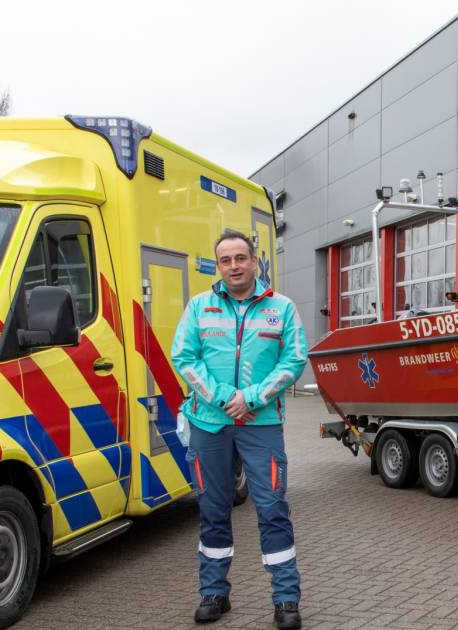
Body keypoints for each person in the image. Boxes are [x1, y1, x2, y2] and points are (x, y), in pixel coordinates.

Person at [171, 229, 308, 629]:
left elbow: (294, 360)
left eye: (240, 258)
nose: (234, 266)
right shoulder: (200, 307)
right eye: (225, 260)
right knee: (213, 510)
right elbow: (184, 356)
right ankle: (213, 592)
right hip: (209, 424)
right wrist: (221, 397)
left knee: (272, 509)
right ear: (218, 266)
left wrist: (251, 397)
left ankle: (286, 600)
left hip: (260, 423)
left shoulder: (280, 308)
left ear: (254, 262)